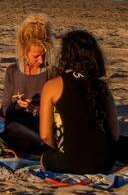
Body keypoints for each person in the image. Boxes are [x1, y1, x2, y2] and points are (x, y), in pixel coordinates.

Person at [39, 30, 118, 175]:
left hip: (69, 161)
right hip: (104, 163)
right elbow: (115, 134)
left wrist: (59, 146)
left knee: (44, 158)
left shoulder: (53, 86)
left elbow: (45, 135)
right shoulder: (102, 87)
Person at [2, 14, 53, 154]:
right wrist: (17, 106)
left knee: (13, 130)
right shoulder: (12, 71)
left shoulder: (51, 72)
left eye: (43, 55)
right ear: (25, 52)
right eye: (36, 56)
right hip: (17, 125)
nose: (41, 61)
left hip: (42, 128)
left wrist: (37, 106)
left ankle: (43, 144)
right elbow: (5, 109)